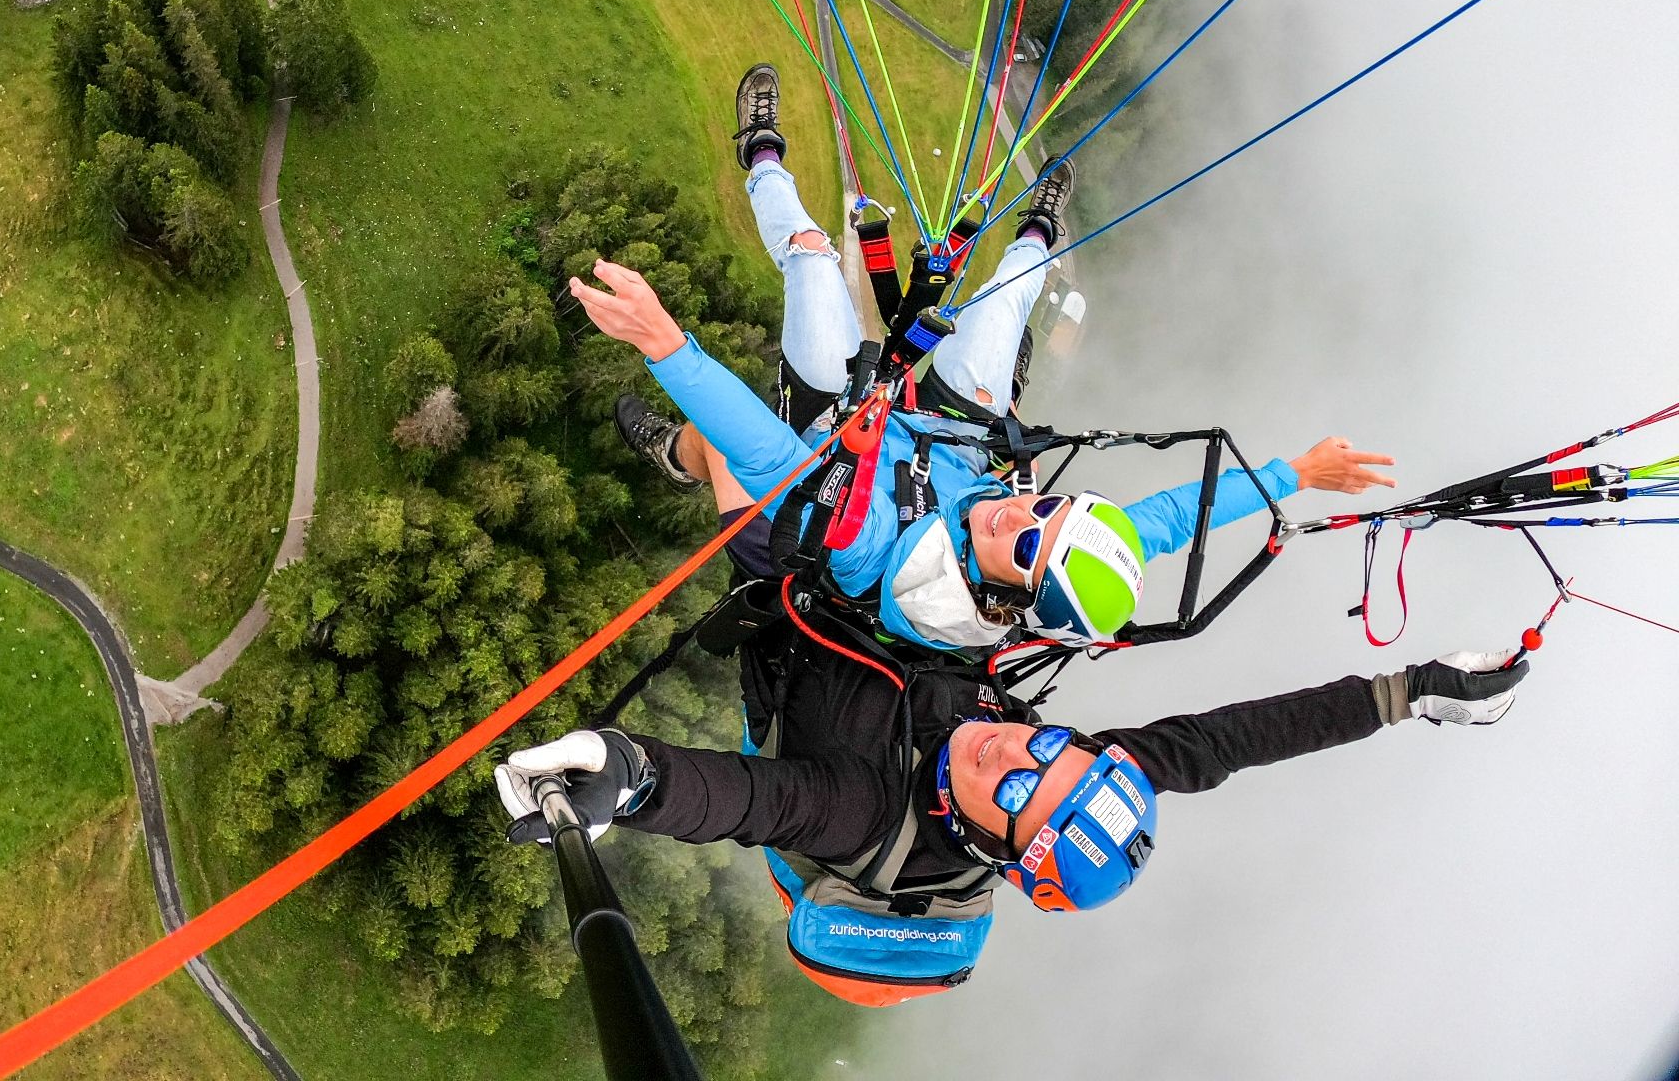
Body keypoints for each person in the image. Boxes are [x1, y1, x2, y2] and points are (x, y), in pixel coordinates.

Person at [595, 64, 1395, 649]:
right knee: (1007, 295)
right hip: (949, 441)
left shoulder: (877, 549)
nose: (1022, 512)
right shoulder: (1062, 542)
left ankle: (762, 157)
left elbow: (772, 456)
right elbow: (1174, 519)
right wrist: (1298, 472)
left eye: (1021, 544)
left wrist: (668, 345)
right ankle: (1038, 234)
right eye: (1049, 512)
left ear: (1003, 592)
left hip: (835, 444)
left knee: (809, 262)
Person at [494, 614, 1529, 1001]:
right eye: (1058, 749)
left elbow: (747, 801)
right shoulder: (1053, 772)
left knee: (745, 484)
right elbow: (1225, 741)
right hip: (909, 637)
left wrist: (622, 771)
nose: (1016, 749)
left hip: (803, 628)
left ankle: (678, 452)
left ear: (994, 846)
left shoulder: (864, 813)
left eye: (1022, 790)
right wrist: (1405, 694)